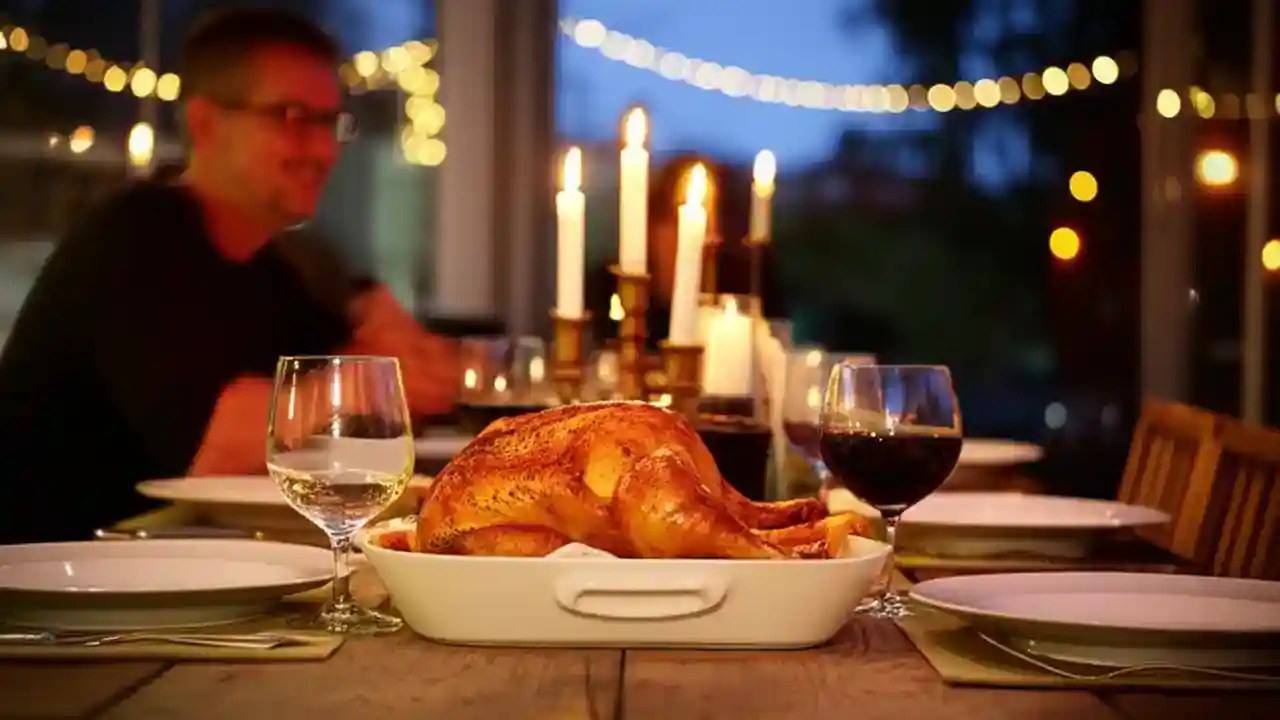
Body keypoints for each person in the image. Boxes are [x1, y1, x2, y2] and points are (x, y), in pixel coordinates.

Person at [0, 8, 457, 543]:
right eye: (291, 117)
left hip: (178, 573)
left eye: (329, 122)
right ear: (205, 123)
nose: (324, 150)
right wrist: (368, 385)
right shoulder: (136, 239)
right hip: (54, 585)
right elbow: (218, 445)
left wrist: (392, 356)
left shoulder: (269, 266)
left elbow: (371, 404)